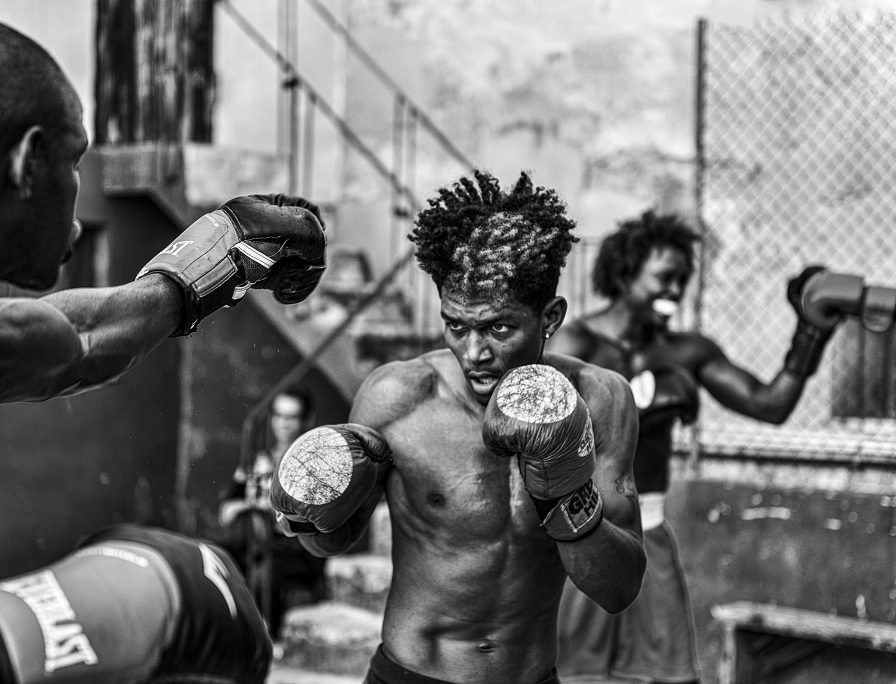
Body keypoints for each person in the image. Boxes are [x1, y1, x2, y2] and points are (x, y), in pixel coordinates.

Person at [0, 15, 327, 684]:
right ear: (27, 164)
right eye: (75, 161)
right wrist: (54, 627)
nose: (80, 200)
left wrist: (222, 258)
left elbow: (82, 339)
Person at [271, 170, 646, 684]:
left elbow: (619, 588)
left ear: (550, 318)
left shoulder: (601, 399)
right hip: (410, 674)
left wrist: (565, 496)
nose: (474, 353)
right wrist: (309, 510)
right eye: (456, 325)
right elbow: (332, 544)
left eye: (499, 327)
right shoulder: (397, 396)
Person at [548, 211, 842, 683]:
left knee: (674, 677)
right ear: (625, 274)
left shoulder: (687, 351)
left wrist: (810, 333)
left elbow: (770, 404)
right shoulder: (575, 345)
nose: (676, 292)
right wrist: (638, 403)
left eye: (683, 280)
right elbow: (536, 432)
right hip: (585, 530)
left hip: (652, 530)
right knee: (574, 675)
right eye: (665, 278)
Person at [221, 386, 327, 639]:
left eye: (291, 417)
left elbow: (313, 521)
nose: (283, 424)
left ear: (305, 420)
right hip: (256, 542)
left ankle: (268, 638)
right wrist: (253, 504)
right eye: (278, 416)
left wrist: (270, 508)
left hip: (297, 549)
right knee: (223, 558)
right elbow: (225, 512)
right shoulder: (258, 461)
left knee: (269, 571)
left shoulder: (313, 463)